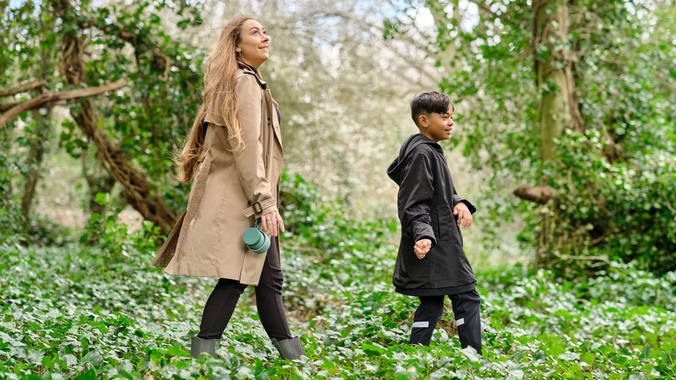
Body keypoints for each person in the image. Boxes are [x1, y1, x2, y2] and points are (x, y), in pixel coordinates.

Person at [151, 16, 305, 360]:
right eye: (255, 32)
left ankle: (292, 359)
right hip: (246, 201)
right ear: (237, 45)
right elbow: (246, 146)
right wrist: (265, 203)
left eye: (265, 31)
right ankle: (206, 359)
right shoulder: (244, 82)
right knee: (239, 279)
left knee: (267, 282)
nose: (265, 37)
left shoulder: (244, 81)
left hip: (246, 198)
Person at [386, 91, 482, 354]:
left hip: (438, 238)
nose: (451, 122)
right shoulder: (421, 154)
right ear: (424, 120)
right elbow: (414, 202)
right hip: (435, 242)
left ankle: (415, 357)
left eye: (451, 117)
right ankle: (473, 358)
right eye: (444, 117)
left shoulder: (429, 152)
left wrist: (458, 201)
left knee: (432, 301)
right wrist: (422, 235)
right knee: (467, 296)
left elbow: (439, 192)